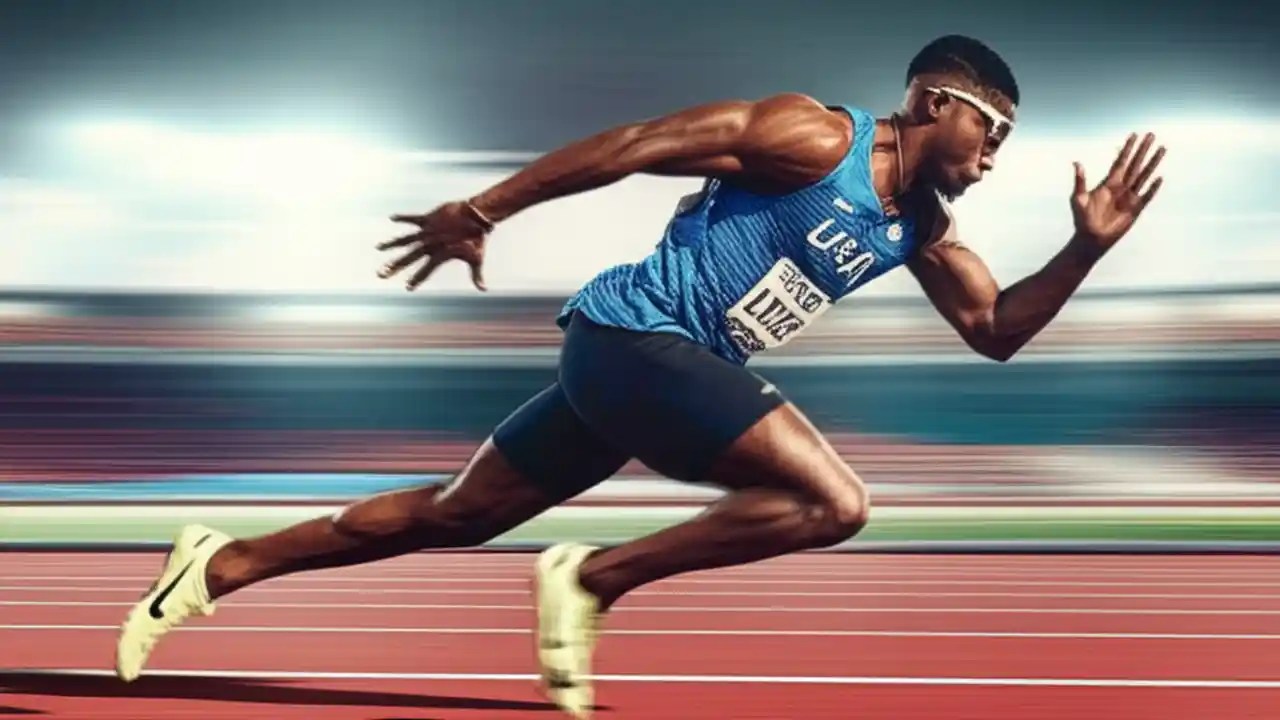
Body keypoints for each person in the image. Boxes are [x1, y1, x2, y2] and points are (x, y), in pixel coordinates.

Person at [114, 34, 1165, 718]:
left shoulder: (920, 229)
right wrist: (483, 210)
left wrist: (1086, 249)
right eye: (991, 133)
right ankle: (592, 578)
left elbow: (993, 328)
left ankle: (218, 564)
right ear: (937, 103)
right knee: (832, 501)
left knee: (459, 513)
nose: (993, 160)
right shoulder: (813, 137)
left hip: (648, 375)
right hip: (631, 339)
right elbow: (636, 143)